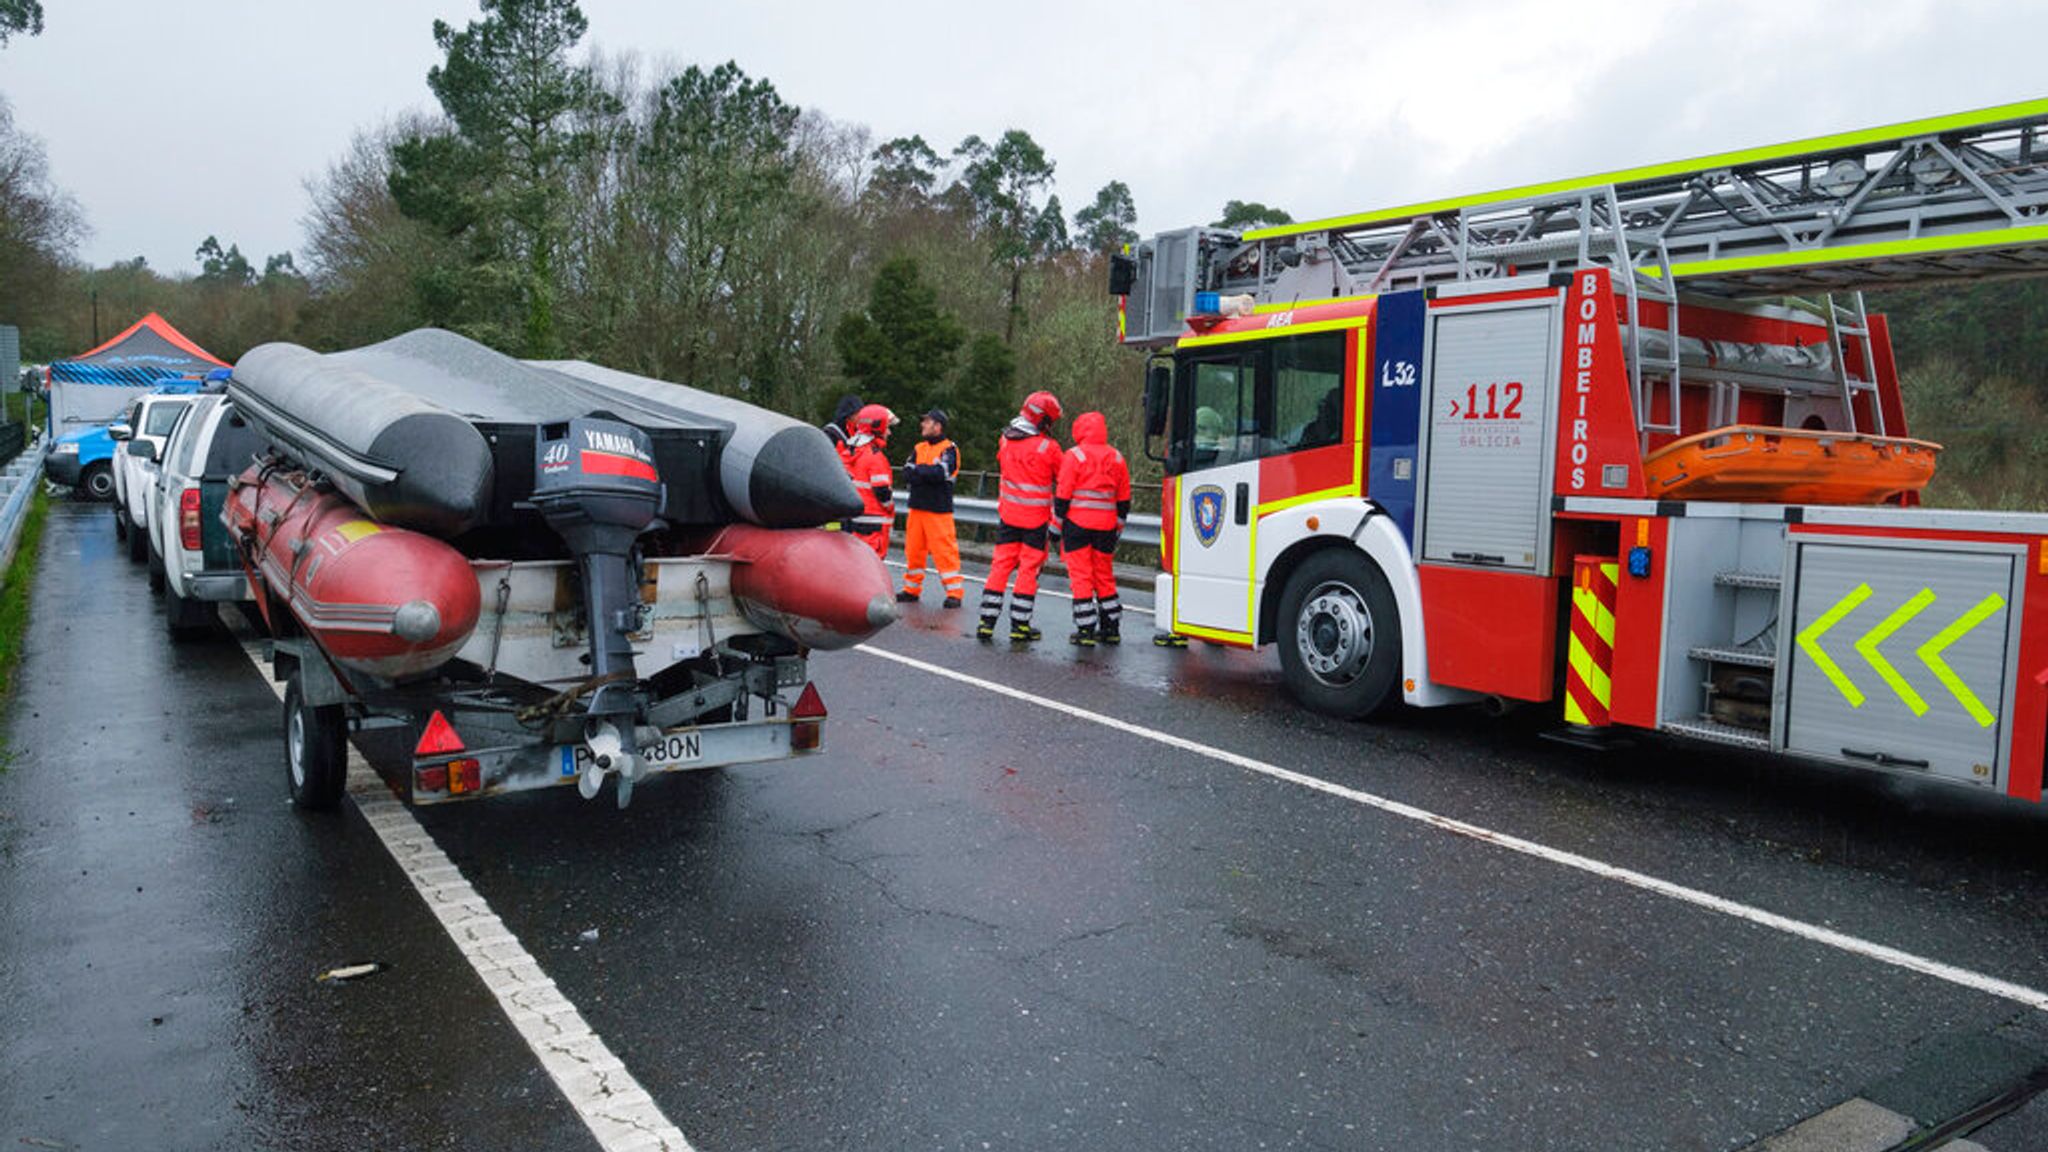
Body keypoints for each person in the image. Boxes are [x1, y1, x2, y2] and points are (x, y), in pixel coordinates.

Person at [978, 390, 1063, 642]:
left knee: (1000, 567)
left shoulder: (1004, 440)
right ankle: (1020, 625)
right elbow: (1064, 479)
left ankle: (986, 622)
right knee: (1028, 570)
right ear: (1043, 420)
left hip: (1008, 517)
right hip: (1036, 521)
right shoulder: (1049, 448)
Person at [1055, 411, 1132, 646]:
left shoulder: (1074, 456)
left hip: (1077, 525)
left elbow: (1063, 496)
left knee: (1081, 576)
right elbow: (1124, 499)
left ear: (1079, 430)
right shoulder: (1117, 457)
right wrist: (1118, 527)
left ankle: (1086, 629)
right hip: (1106, 527)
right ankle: (1111, 627)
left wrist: (1055, 529)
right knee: (1104, 575)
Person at [898, 408, 964, 607]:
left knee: (945, 552)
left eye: (926, 422)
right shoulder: (919, 447)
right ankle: (911, 590)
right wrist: (925, 472)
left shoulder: (949, 448)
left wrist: (919, 471)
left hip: (938, 510)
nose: (922, 425)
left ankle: (954, 593)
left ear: (938, 426)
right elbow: (906, 473)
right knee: (913, 551)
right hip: (917, 507)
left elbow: (941, 473)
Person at [843, 404, 897, 559]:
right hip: (875, 527)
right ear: (877, 428)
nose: (889, 432)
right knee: (872, 571)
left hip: (856, 522)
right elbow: (882, 492)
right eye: (887, 427)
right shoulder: (875, 457)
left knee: (857, 567)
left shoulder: (849, 452)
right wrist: (890, 507)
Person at [823, 394, 864, 466]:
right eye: (858, 413)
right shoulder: (831, 434)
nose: (861, 417)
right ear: (849, 414)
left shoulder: (858, 432)